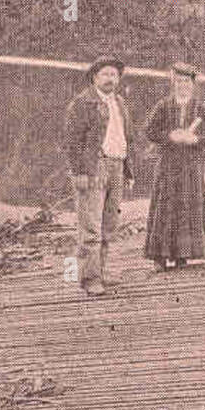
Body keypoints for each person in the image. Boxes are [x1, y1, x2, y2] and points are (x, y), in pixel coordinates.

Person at [63, 55, 135, 296]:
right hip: (94, 167)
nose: (110, 79)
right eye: (105, 74)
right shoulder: (82, 103)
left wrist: (128, 171)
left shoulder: (120, 103)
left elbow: (126, 139)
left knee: (109, 225)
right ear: (94, 77)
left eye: (114, 75)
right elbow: (72, 143)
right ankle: (90, 278)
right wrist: (79, 172)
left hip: (116, 165)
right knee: (90, 226)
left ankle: (101, 272)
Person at [144, 61, 205, 271]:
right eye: (179, 81)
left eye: (186, 81)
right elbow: (150, 131)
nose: (183, 85)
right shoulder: (163, 106)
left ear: (193, 84)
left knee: (188, 207)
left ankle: (183, 255)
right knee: (165, 208)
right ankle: (160, 257)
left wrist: (196, 141)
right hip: (168, 165)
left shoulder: (202, 109)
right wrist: (170, 136)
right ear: (173, 83)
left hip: (191, 166)